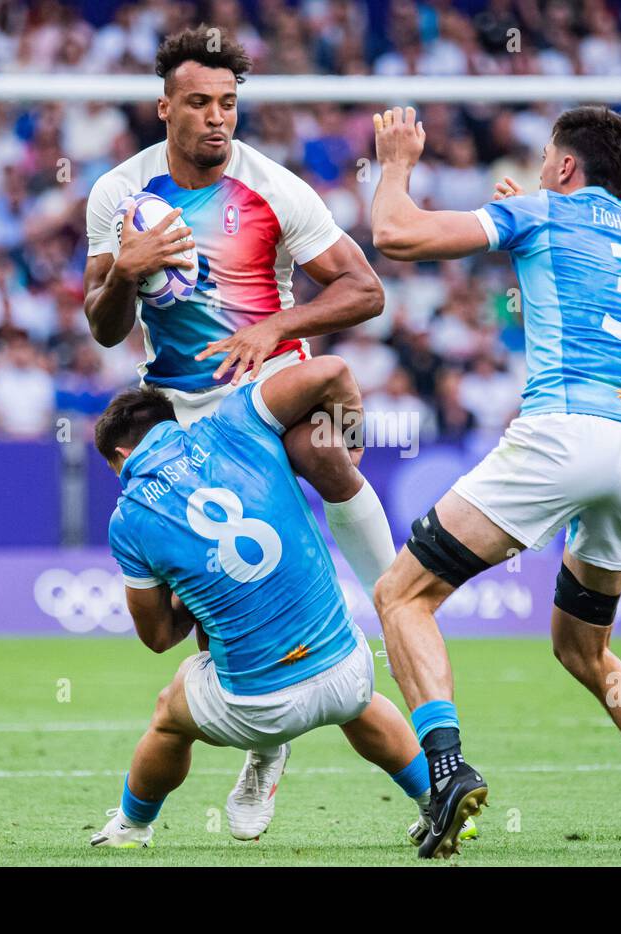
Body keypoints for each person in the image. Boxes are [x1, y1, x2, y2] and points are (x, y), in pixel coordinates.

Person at [368, 105, 621, 858]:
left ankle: (444, 772)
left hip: (564, 433)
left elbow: (395, 234)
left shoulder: (541, 214)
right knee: (585, 648)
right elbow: (564, 268)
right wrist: (518, 217)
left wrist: (397, 161)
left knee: (402, 595)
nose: (539, 168)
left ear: (566, 168)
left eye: (545, 159)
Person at [82, 26, 397, 834]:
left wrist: (276, 326)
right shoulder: (118, 196)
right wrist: (127, 266)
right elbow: (104, 327)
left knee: (323, 452)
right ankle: (266, 750)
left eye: (228, 102)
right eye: (199, 103)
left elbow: (364, 292)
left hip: (269, 383)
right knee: (225, 584)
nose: (218, 118)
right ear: (164, 108)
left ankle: (397, 605)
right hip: (184, 410)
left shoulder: (277, 189)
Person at [87, 356, 468, 849]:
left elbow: (157, 638)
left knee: (169, 711)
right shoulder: (235, 419)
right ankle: (438, 800)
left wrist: (195, 584)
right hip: (348, 667)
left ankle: (132, 827)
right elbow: (332, 370)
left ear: (121, 453)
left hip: (255, 709)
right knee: (356, 702)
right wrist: (351, 444)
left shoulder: (128, 518)